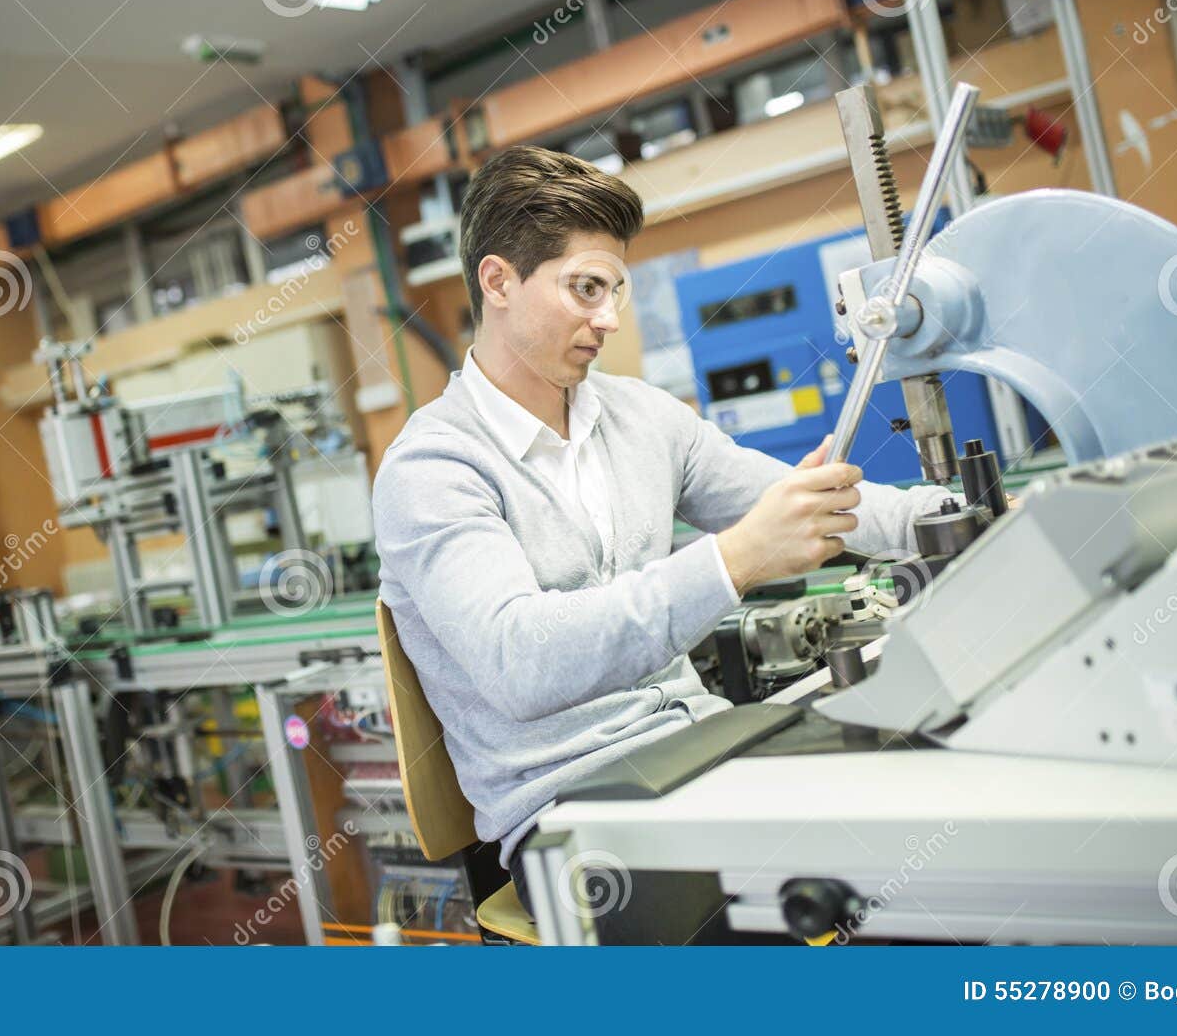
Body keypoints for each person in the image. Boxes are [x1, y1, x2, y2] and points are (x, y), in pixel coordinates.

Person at [371, 145, 951, 941]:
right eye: (585, 289)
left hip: (700, 748)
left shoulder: (640, 417)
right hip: (570, 817)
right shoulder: (432, 467)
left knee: (943, 826)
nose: (609, 319)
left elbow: (799, 504)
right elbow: (519, 660)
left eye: (615, 290)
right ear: (498, 281)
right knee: (832, 905)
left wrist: (954, 516)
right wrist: (736, 558)